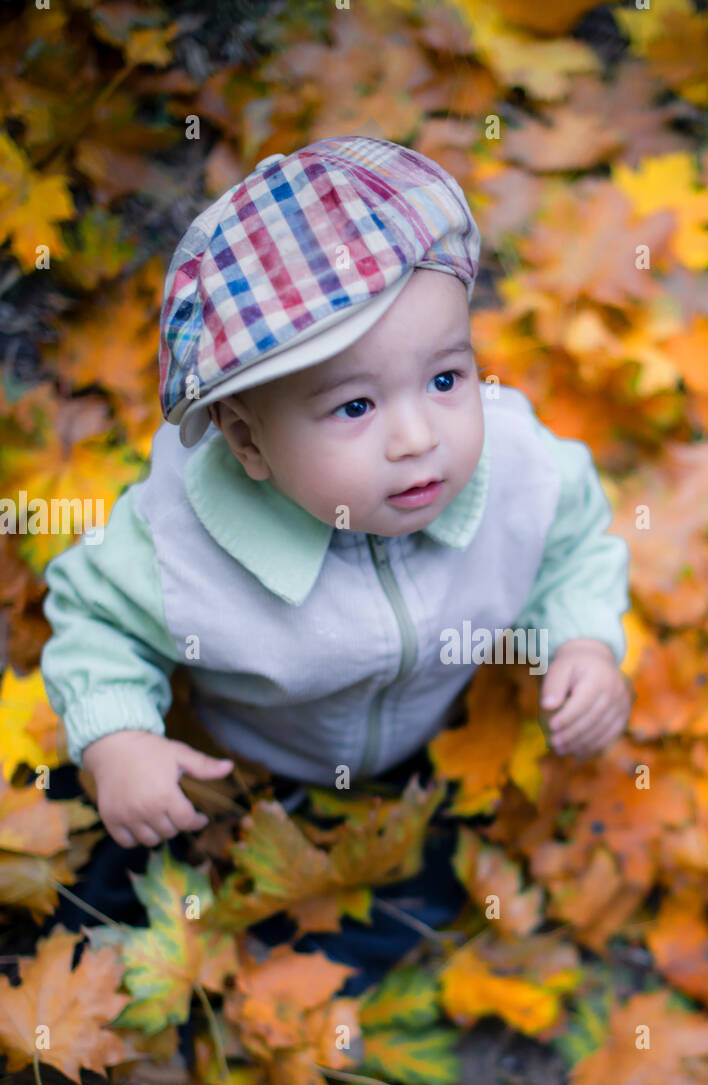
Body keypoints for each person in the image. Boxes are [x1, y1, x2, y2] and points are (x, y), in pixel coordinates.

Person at [38, 135, 632, 998]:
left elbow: (575, 543)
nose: (418, 437)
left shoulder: (520, 469)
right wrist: (118, 734)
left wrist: (582, 641)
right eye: (355, 405)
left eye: (444, 379)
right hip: (253, 760)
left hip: (429, 735)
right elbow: (95, 615)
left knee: (413, 897)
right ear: (248, 441)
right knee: (142, 884)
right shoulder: (183, 547)